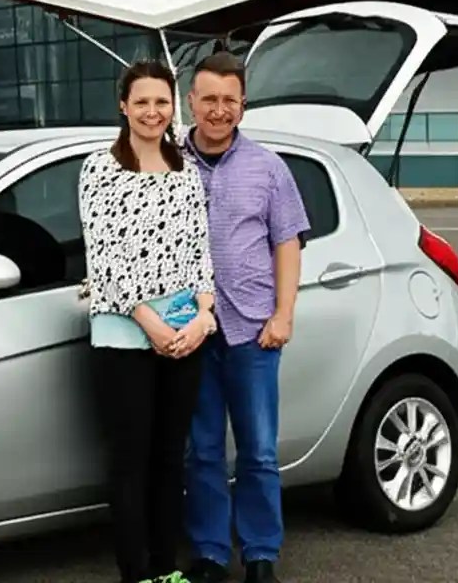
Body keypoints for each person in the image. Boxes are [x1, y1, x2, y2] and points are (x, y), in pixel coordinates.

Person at [78, 59, 218, 583]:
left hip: (185, 336)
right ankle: (136, 574)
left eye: (162, 102)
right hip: (123, 339)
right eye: (142, 102)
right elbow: (105, 258)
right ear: (123, 106)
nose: (153, 112)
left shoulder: (185, 172)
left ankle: (167, 571)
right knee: (130, 462)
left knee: (169, 460)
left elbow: (199, 253)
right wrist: (150, 325)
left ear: (172, 106)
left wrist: (203, 316)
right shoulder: (100, 169)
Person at [179, 52, 310, 583]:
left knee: (257, 449)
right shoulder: (167, 163)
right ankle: (210, 553)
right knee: (203, 449)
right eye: (209, 98)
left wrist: (284, 314)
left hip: (254, 330)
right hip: (190, 330)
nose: (218, 110)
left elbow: (287, 242)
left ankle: (260, 554)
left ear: (243, 104)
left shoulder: (269, 167)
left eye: (229, 100)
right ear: (191, 101)